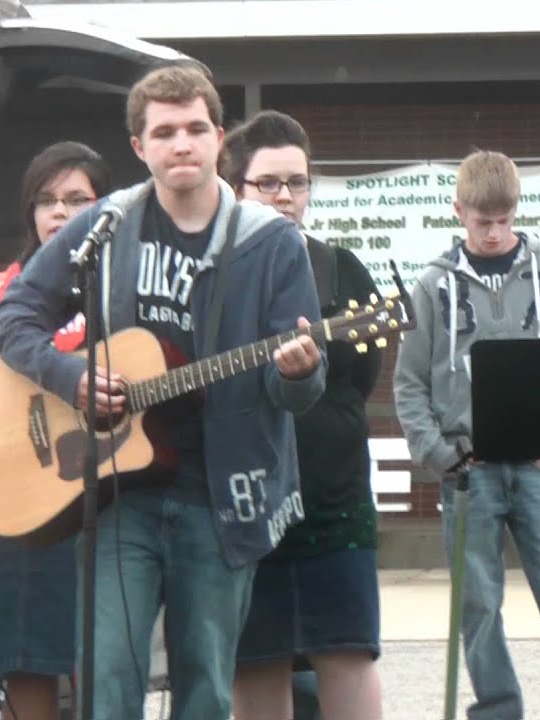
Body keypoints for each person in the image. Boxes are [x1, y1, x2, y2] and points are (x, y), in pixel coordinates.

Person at [0, 62, 326, 720]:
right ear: (140, 147)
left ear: (219, 139)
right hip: (120, 491)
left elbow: (300, 393)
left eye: (196, 128)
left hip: (222, 494)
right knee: (110, 678)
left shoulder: (272, 244)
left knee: (205, 686)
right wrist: (72, 377)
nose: (182, 144)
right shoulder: (106, 227)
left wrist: (297, 371)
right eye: (165, 131)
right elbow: (14, 318)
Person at [393, 149, 540, 720]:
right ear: (458, 211)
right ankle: (498, 710)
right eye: (482, 221)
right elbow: (409, 381)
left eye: (504, 220)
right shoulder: (432, 285)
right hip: (469, 471)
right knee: (478, 607)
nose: (494, 233)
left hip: (539, 469)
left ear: (517, 210)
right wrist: (438, 455)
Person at [0, 140, 111, 720]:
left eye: (77, 198)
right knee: (20, 660)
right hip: (8, 504)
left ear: (104, 206)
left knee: (97, 657)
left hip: (92, 499)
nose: (59, 212)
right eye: (46, 199)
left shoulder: (120, 288)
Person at [221, 110, 384, 720]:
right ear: (235, 189)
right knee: (255, 662)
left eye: (298, 182)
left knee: (348, 655)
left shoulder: (341, 270)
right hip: (244, 508)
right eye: (269, 182)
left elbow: (361, 379)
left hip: (332, 506)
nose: (286, 196)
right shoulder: (214, 277)